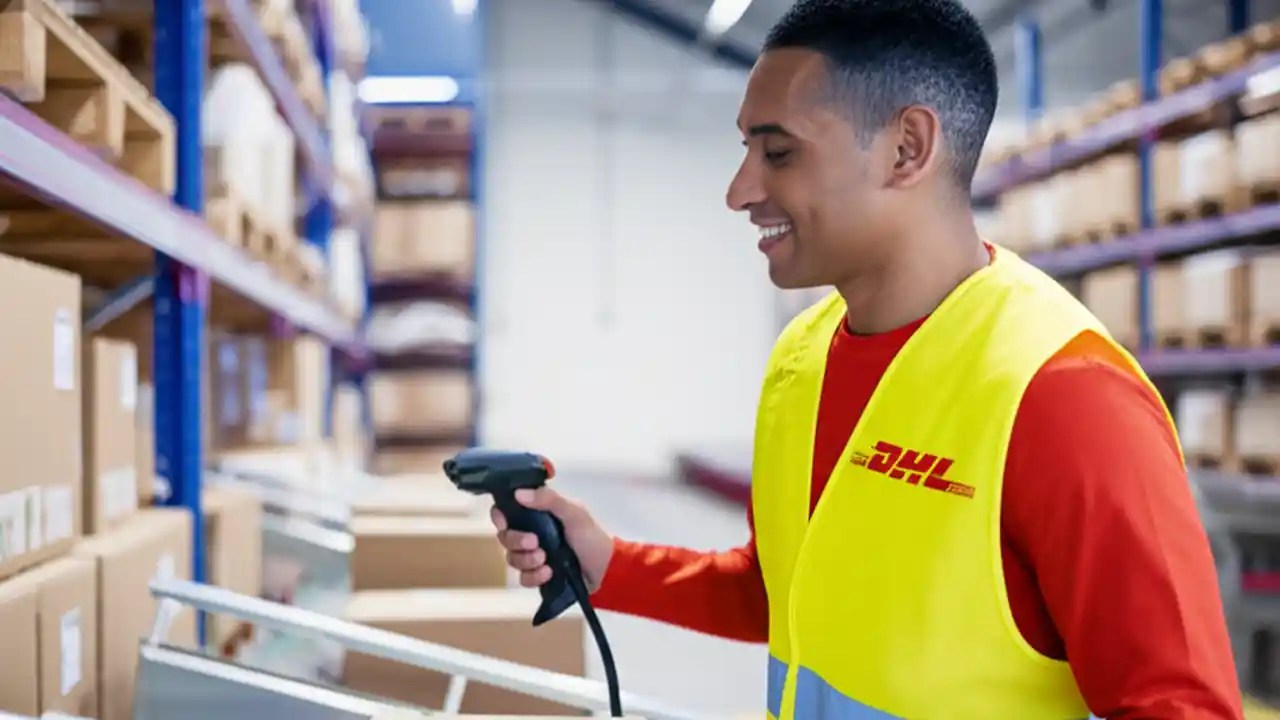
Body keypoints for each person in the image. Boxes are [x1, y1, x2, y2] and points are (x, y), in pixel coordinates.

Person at [489, 0, 1243, 717]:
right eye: (745, 150)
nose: (739, 190)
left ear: (907, 148)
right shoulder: (801, 360)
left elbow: (1178, 708)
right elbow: (786, 594)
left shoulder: (1064, 397)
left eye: (777, 152)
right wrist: (611, 564)